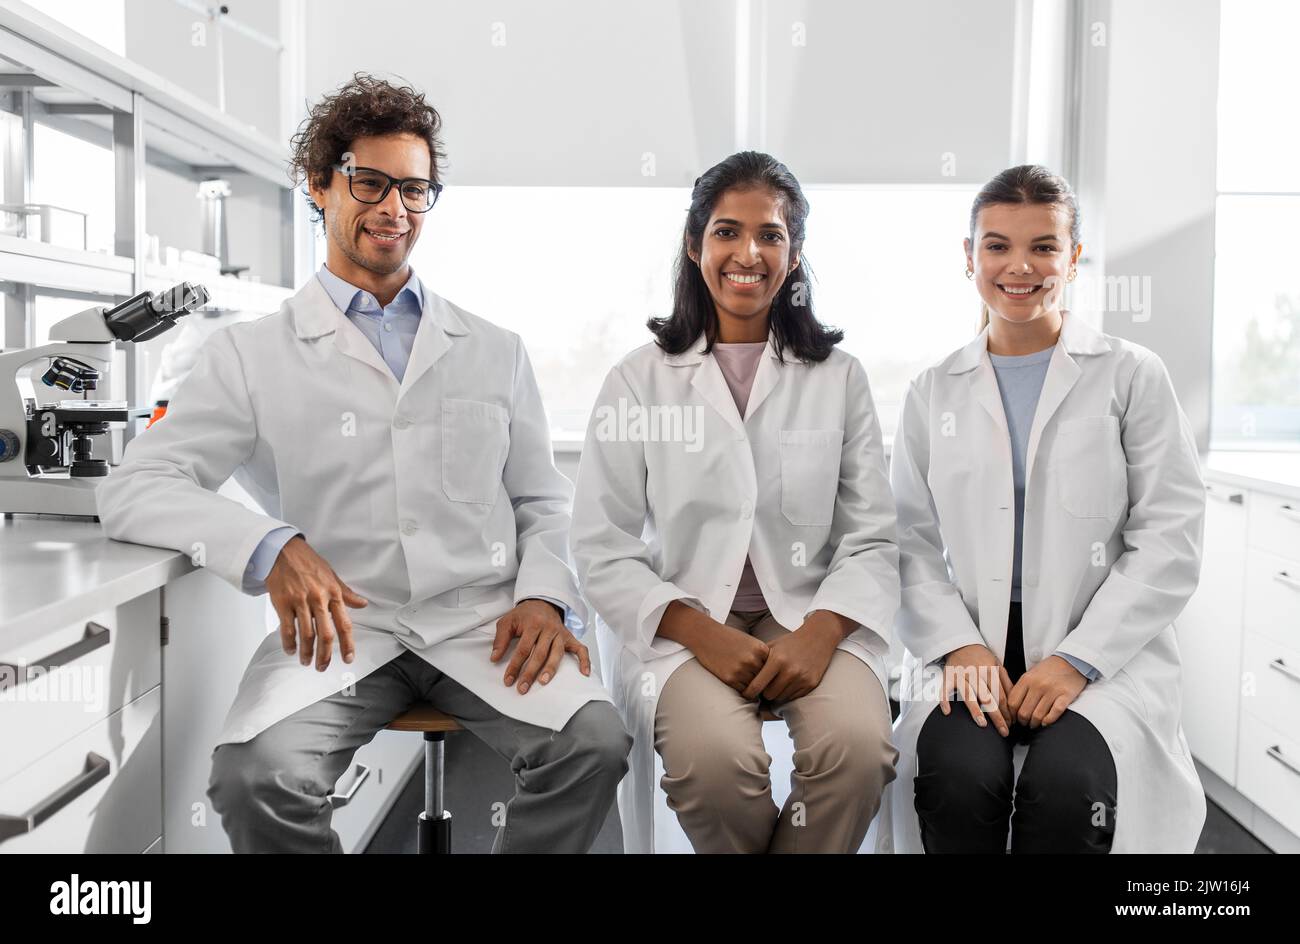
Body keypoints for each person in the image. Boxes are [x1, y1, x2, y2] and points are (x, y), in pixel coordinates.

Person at [97, 73, 630, 854]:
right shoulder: (249, 356)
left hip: (481, 624)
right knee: (253, 780)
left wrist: (547, 597)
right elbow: (135, 487)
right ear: (319, 185)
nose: (395, 210)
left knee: (595, 743)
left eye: (416, 191)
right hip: (341, 633)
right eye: (371, 183)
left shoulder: (492, 349)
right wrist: (270, 546)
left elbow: (543, 503)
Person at [571, 151, 899, 854]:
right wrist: (699, 630)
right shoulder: (638, 381)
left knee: (858, 752)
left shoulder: (839, 379)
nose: (747, 253)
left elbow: (872, 535)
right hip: (686, 622)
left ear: (795, 253)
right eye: (726, 232)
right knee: (715, 765)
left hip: (812, 617)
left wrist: (822, 631)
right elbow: (601, 542)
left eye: (770, 235)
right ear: (695, 246)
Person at [883, 164, 1206, 853]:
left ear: (1074, 258)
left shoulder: (1131, 376)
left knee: (1066, 792)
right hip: (973, 644)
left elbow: (1170, 536)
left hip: (1098, 644)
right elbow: (905, 539)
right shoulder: (933, 390)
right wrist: (961, 646)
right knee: (956, 780)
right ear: (969, 258)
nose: (1019, 266)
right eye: (996, 245)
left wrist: (1077, 659)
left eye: (1044, 247)